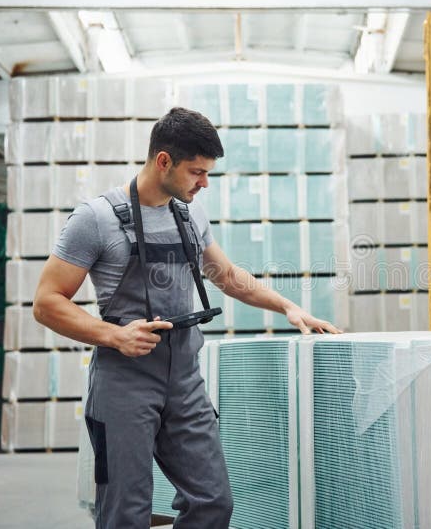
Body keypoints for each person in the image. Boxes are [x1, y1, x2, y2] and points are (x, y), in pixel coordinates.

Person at [33, 107, 341, 528]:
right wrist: (115, 335)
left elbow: (228, 276)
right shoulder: (96, 218)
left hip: (184, 380)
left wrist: (288, 306)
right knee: (127, 512)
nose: (204, 183)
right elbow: (47, 301)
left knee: (213, 502)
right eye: (197, 172)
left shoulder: (189, 214)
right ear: (164, 161)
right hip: (124, 381)